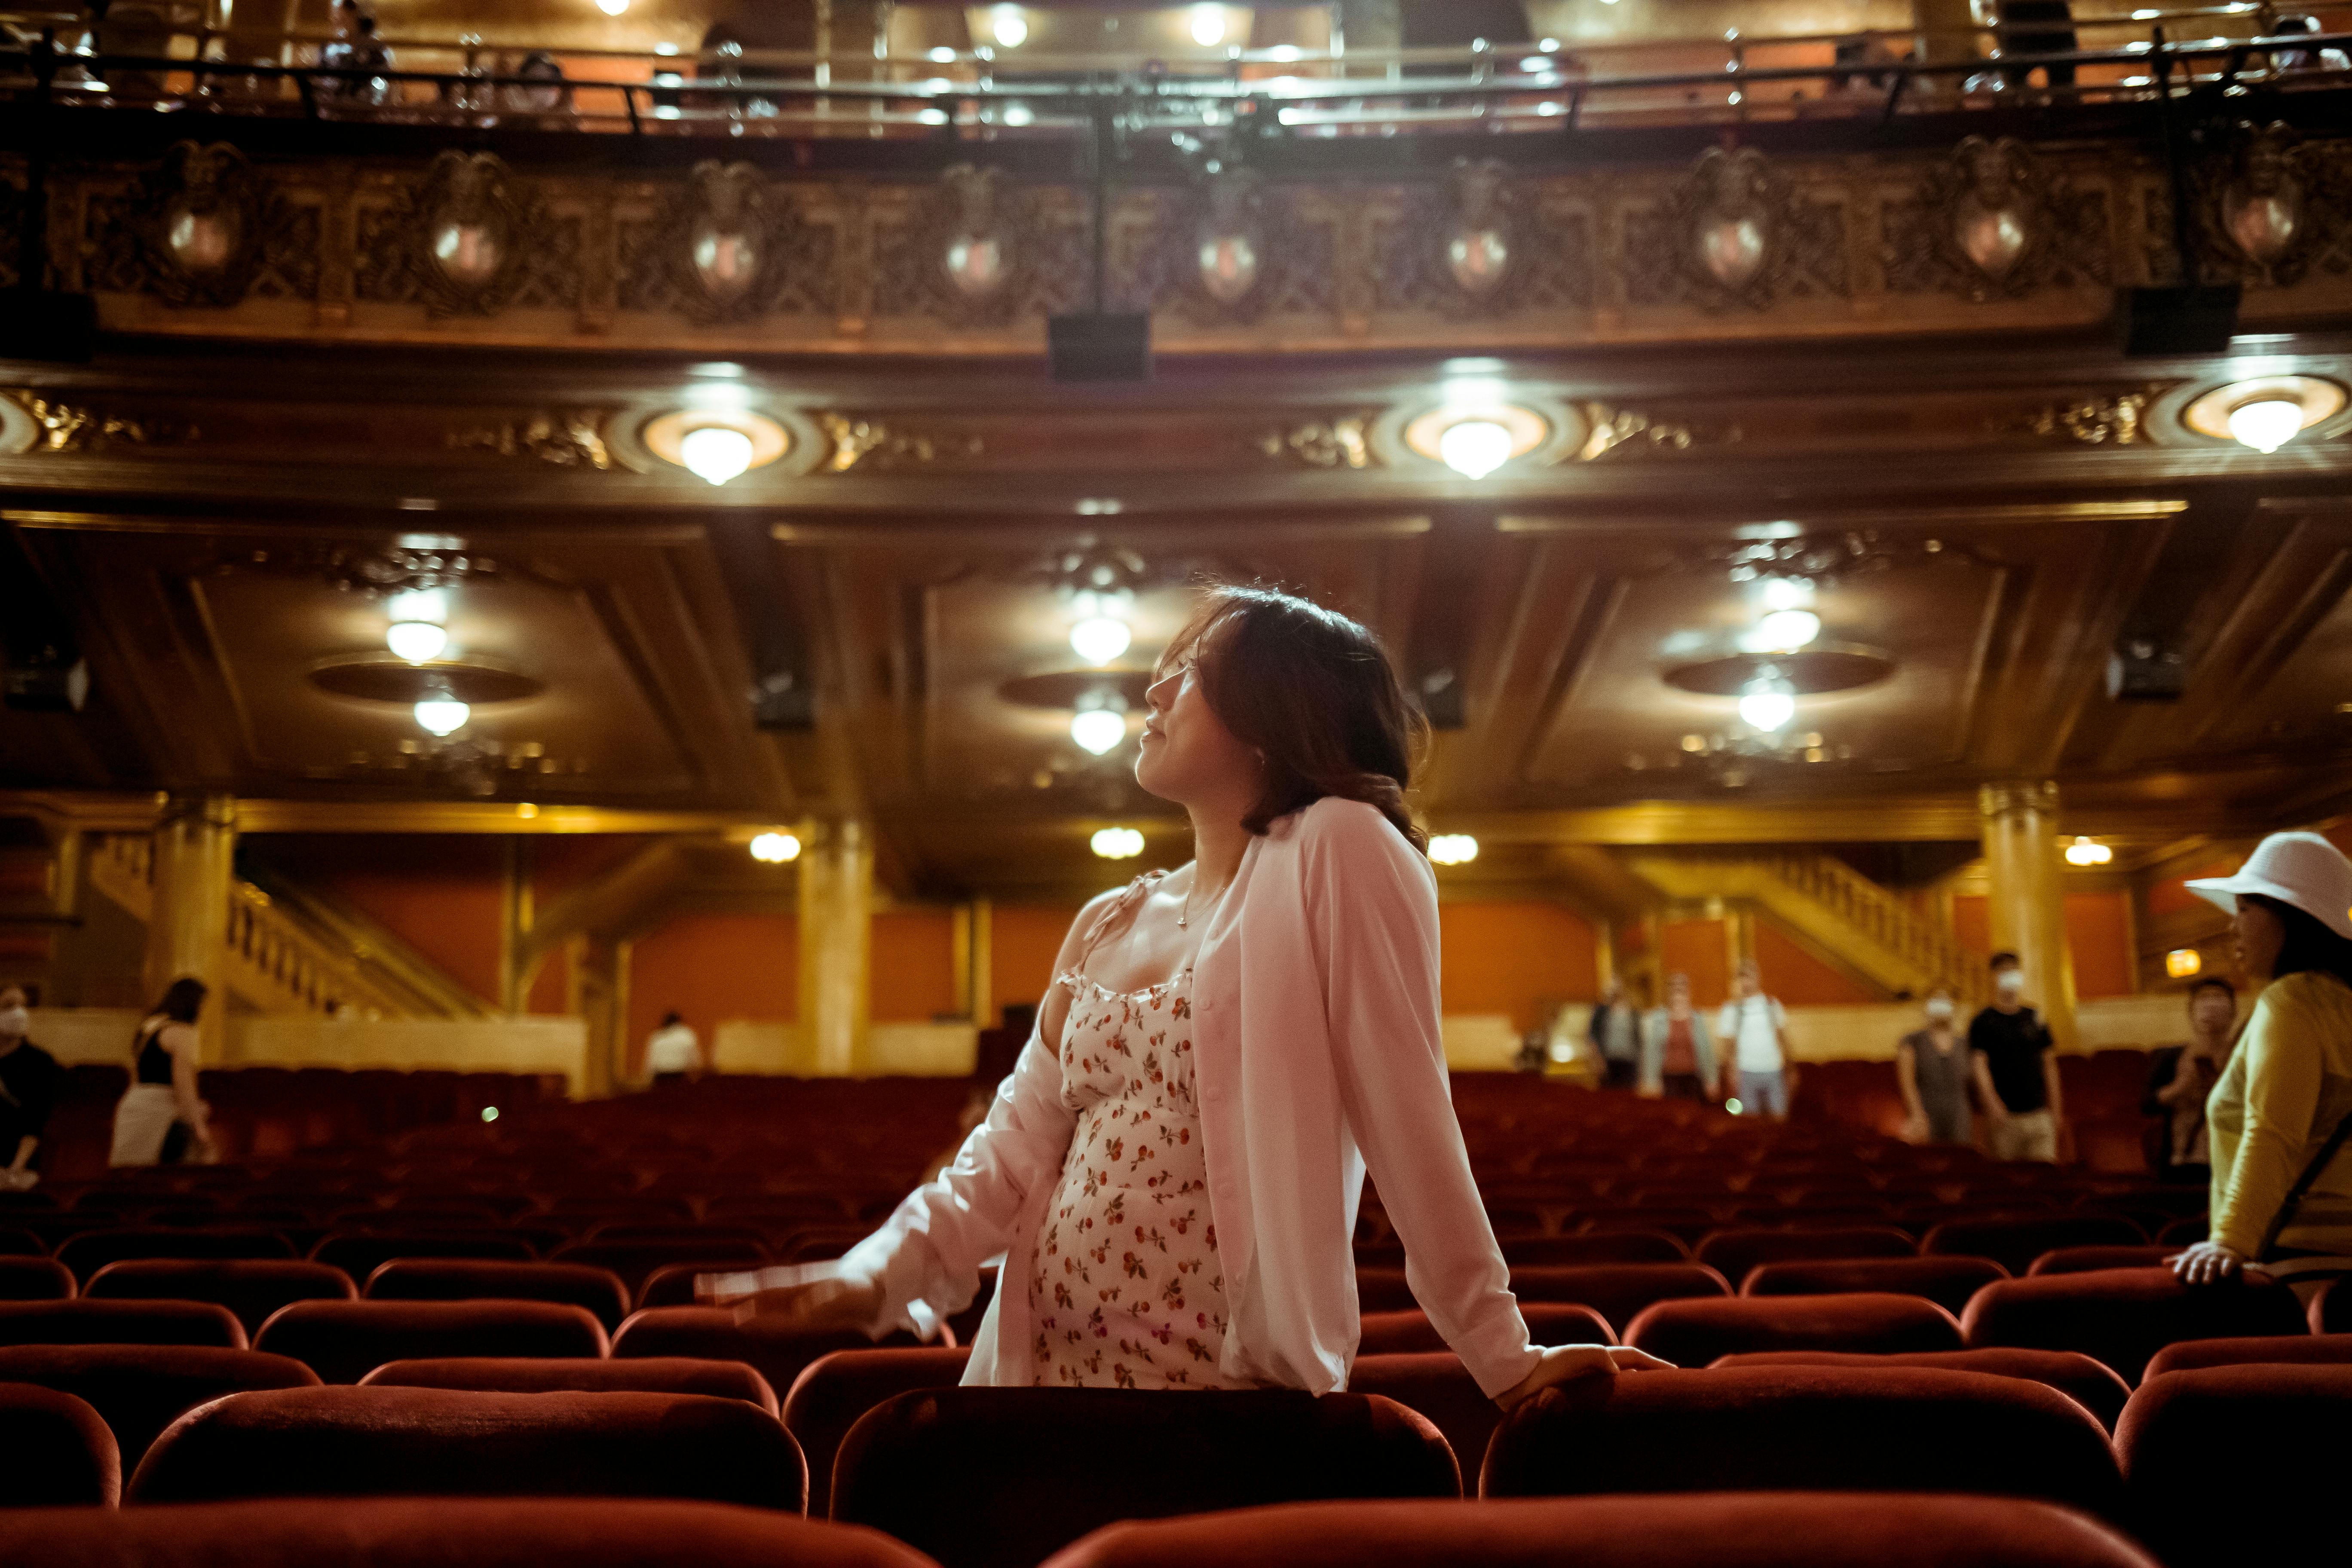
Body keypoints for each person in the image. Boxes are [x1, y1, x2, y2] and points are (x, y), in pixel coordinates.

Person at [701, 583, 1668, 1404]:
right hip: (1040, 1383)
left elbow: (1412, 1117)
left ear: (1272, 711)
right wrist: (878, 1269)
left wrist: (1502, 1354)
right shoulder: (1106, 922)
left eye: (1192, 668)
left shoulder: (1339, 848)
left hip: (1222, 1395)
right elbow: (1013, 1147)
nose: (1153, 688)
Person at [2173, 833, 2352, 1301]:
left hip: (2300, 1250)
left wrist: (2231, 1239)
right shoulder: (2341, 1001)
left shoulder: (2291, 1000)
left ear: (2289, 917)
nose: (2233, 926)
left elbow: (2274, 1129)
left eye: (2245, 910)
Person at [110, 977, 216, 1167]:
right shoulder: (181, 1032)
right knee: (165, 1183)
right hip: (160, 1113)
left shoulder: (149, 1027)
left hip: (134, 1105)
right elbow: (183, 1085)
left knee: (129, 1181)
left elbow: (136, 1074)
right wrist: (201, 1130)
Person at [1968, 951, 2063, 1162]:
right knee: (2009, 1181)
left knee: (2046, 1175)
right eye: (2003, 971)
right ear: (1994, 976)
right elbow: (1979, 1067)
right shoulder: (1982, 1022)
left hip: (2038, 1116)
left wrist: (2055, 1110)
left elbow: (2049, 1065)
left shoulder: (2035, 1017)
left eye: (2013, 970)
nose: (2009, 975)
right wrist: (1993, 1105)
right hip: (2005, 1118)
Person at [2143, 978, 2239, 1186]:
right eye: (2204, 999)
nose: (2211, 1006)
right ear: (2191, 1012)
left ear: (2233, 1013)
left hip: (2232, 1160)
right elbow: (2147, 1104)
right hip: (2180, 1160)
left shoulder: (2245, 1058)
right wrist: (2181, 1087)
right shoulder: (2169, 1056)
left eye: (2218, 998)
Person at [0, 985, 61, 1191]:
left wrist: (15, 1168)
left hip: (22, 1164)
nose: (19, 1013)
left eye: (23, 1006)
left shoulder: (39, 1062)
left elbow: (36, 1120)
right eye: (9, 1006)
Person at [1896, 987, 1972, 1146]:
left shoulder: (1965, 1043)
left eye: (1945, 1000)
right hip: (1926, 1112)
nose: (1941, 1005)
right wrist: (1917, 1114)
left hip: (1959, 1114)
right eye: (1936, 1000)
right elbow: (1907, 1082)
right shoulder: (1912, 1041)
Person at [1717, 961, 1791, 1118]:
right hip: (1745, 1072)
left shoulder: (1772, 1005)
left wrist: (1790, 1068)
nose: (1747, 981)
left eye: (1750, 976)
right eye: (1742, 977)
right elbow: (1727, 1047)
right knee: (1750, 1123)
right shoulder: (1731, 1010)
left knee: (1779, 1119)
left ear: (1759, 977)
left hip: (1774, 1070)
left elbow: (1783, 1039)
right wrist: (1731, 1071)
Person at [1641, 972, 1717, 1102]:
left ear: (1688, 993)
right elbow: (1652, 1052)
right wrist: (1651, 1081)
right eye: (1674, 990)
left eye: (1682, 990)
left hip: (1693, 1078)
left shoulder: (1697, 1019)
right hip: (1669, 1079)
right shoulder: (1659, 1018)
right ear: (1669, 993)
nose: (1678, 996)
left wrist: (1711, 1079)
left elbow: (1706, 1051)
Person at [1588, 977, 1640, 1091]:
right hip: (1608, 1060)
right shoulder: (1601, 1012)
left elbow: (1639, 1037)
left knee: (1628, 1094)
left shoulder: (1633, 1012)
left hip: (1629, 1061)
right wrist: (1597, 1059)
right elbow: (1593, 1035)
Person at [643, 1011, 704, 1084]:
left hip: (661, 1078)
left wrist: (647, 1082)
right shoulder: (688, 1035)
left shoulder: (656, 1038)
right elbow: (696, 1061)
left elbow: (650, 1065)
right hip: (681, 1078)